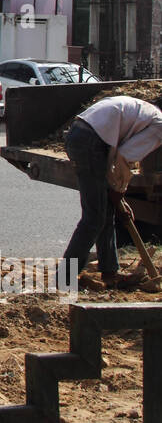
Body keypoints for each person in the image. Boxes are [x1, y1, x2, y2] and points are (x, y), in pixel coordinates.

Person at [63, 95, 162, 290]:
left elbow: (115, 157)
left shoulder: (145, 112)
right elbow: (125, 157)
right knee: (95, 218)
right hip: (91, 141)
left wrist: (118, 196)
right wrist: (119, 189)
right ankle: (64, 277)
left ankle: (109, 271)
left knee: (105, 210)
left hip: (79, 134)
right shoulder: (159, 124)